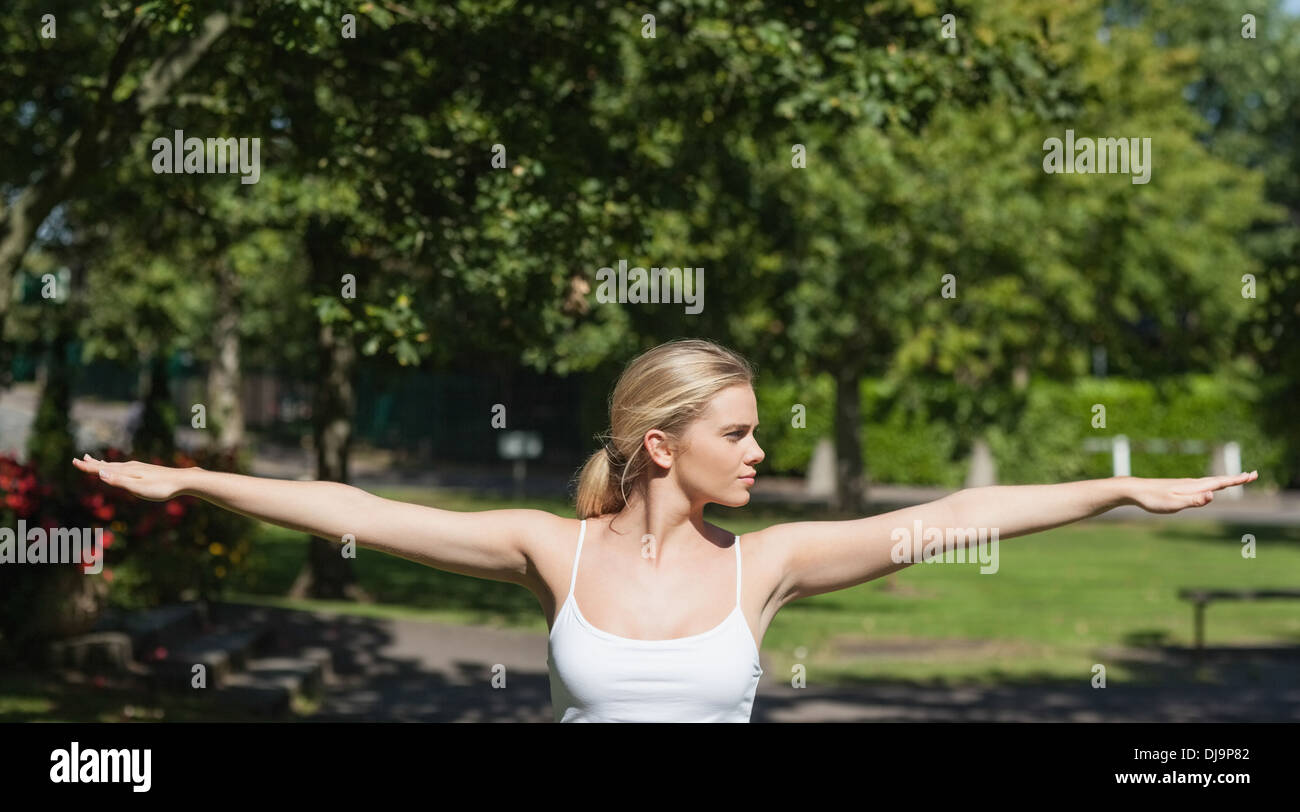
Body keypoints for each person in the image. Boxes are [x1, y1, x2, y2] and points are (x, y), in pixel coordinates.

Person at [72, 338, 1258, 722]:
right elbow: (365, 513)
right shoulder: (555, 549)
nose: (758, 453)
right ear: (662, 444)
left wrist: (1116, 490)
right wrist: (185, 476)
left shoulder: (771, 565)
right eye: (735, 434)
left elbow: (952, 515)